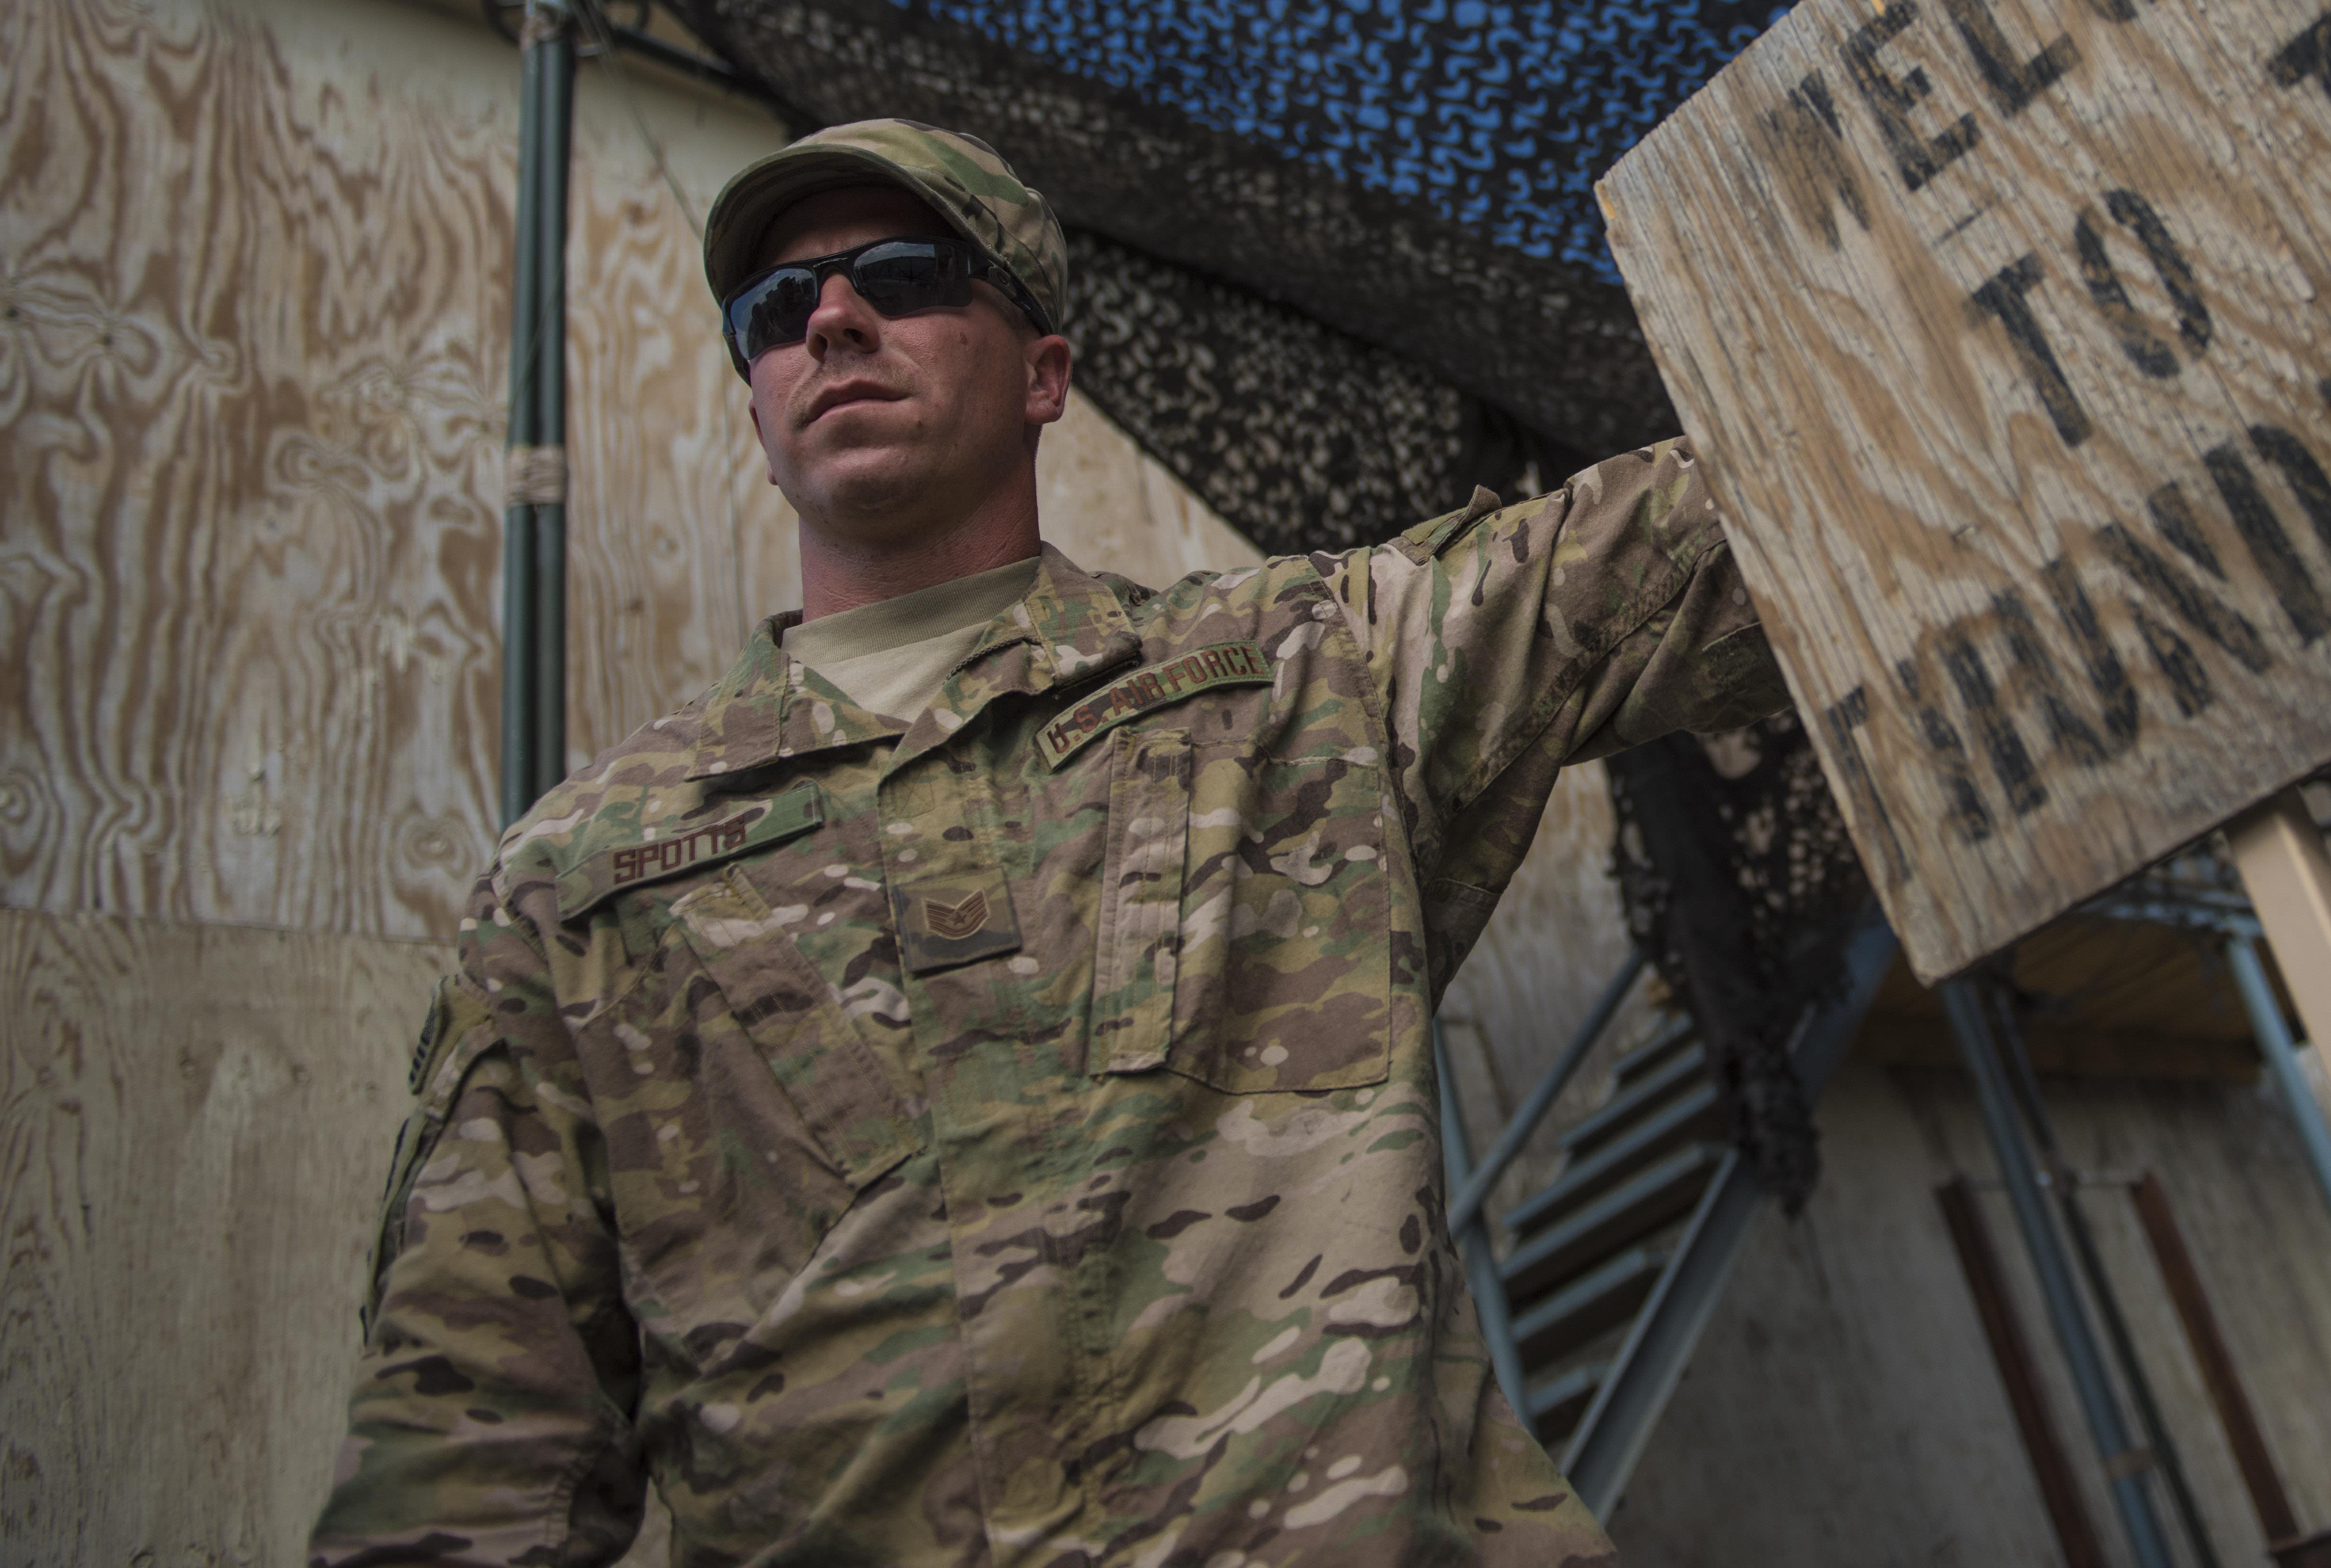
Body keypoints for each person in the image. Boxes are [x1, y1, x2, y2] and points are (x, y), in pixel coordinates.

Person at [314, 120, 1782, 1567]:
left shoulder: (1299, 679)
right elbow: (469, 1466)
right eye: (775, 310)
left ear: (1043, 375)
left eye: (901, 274)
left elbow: (1730, 524)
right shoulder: (583, 883)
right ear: (759, 416)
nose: (829, 318)